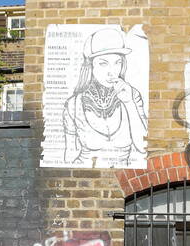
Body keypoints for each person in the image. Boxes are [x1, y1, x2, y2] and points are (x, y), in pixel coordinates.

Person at [63, 28, 147, 166]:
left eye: (117, 62)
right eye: (103, 63)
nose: (112, 72)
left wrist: (129, 103)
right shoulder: (74, 104)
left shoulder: (132, 95)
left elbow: (143, 146)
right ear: (90, 67)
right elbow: (70, 154)